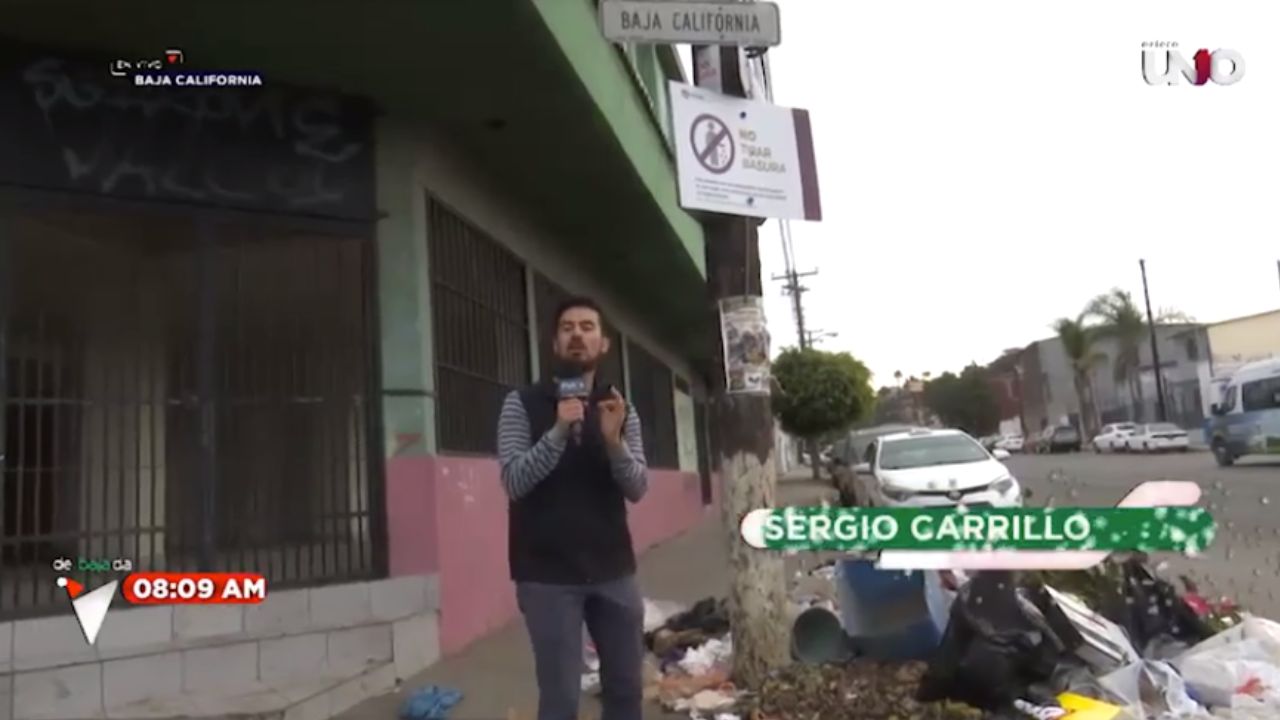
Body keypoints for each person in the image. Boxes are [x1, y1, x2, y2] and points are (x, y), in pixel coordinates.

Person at [496, 295, 650, 720]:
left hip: (614, 570)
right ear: (554, 343)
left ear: (603, 344)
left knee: (625, 690)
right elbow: (514, 481)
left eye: (587, 327)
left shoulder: (620, 409)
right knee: (561, 697)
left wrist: (614, 441)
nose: (577, 335)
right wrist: (559, 431)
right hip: (546, 575)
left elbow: (637, 488)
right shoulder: (521, 404)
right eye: (568, 328)